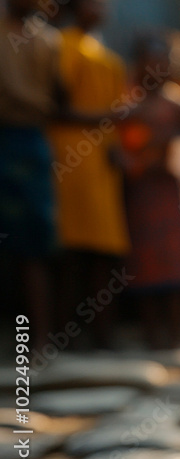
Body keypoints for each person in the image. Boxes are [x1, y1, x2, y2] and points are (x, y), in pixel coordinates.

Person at [49, 0, 130, 349]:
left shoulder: (106, 56)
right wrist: (104, 120)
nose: (100, 7)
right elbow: (56, 108)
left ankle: (104, 336)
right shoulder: (61, 46)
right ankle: (60, 336)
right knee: (71, 251)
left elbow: (116, 113)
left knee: (104, 250)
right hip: (68, 158)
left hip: (100, 163)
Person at [119, 34, 180, 349]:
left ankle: (176, 338)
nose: (156, 67)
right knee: (144, 264)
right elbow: (121, 149)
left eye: (162, 60)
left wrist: (167, 160)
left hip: (173, 196)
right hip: (141, 195)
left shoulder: (179, 104)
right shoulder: (129, 104)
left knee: (175, 264)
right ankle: (151, 336)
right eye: (150, 60)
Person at [0, 0, 64, 351]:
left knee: (34, 249)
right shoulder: (49, 40)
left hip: (23, 139)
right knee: (33, 249)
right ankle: (39, 341)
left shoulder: (48, 41)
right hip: (29, 138)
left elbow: (57, 97)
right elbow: (57, 99)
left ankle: (37, 342)